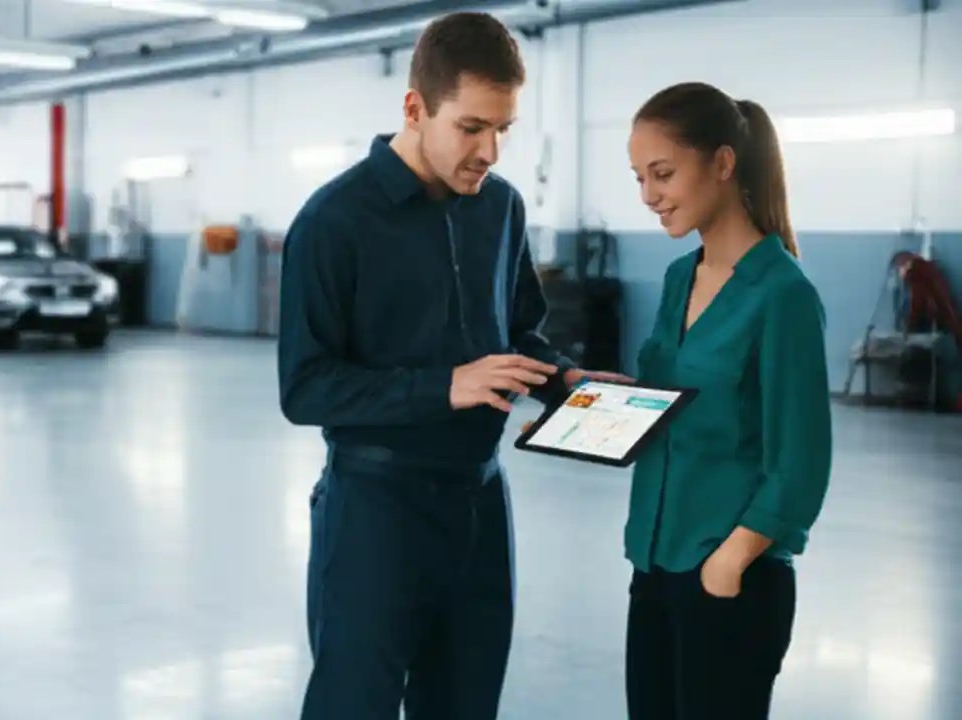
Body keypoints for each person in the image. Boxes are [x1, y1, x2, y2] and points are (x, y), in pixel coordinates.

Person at [276, 11, 626, 720]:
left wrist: (565, 382)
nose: (490, 150)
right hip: (375, 509)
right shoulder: (333, 220)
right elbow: (305, 386)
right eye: (472, 127)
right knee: (354, 705)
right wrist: (445, 386)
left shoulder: (500, 207)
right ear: (415, 108)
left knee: (465, 706)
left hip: (478, 504)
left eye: (504, 129)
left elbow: (520, 332)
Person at [622, 81, 833, 719]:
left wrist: (730, 562)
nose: (649, 196)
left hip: (730, 571)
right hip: (655, 558)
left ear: (722, 162)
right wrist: (600, 400)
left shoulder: (783, 294)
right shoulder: (679, 276)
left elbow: (801, 461)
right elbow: (677, 396)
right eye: (638, 177)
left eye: (662, 173)